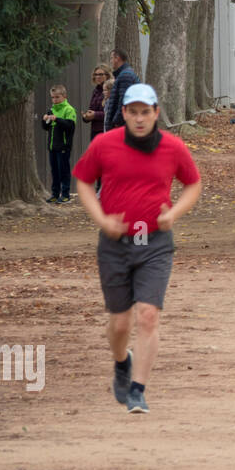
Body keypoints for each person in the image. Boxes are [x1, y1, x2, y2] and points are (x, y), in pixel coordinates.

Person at [72, 83, 202, 415]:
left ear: (156, 113)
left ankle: (138, 389)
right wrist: (101, 219)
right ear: (125, 114)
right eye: (133, 112)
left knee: (147, 316)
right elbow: (84, 181)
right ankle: (121, 362)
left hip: (153, 241)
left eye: (146, 112)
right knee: (120, 323)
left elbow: (193, 183)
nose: (140, 119)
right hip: (116, 242)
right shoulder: (105, 144)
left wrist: (173, 213)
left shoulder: (173, 148)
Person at [41, 85, 77, 204]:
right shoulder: (51, 109)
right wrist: (44, 119)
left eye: (57, 97)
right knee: (54, 171)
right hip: (52, 146)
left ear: (64, 96)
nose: (55, 100)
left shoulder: (69, 109)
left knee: (63, 171)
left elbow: (70, 126)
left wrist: (56, 119)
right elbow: (46, 127)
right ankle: (55, 194)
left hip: (63, 146)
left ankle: (65, 194)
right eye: (53, 97)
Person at [104, 49, 138, 131]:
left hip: (121, 126)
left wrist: (117, 122)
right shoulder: (123, 74)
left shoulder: (125, 75)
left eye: (111, 58)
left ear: (117, 58)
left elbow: (124, 100)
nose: (111, 61)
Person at [82, 64, 109, 141]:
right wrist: (86, 116)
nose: (98, 77)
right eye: (96, 74)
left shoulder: (111, 90)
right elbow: (91, 109)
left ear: (107, 75)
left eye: (101, 74)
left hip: (105, 130)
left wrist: (95, 115)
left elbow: (110, 113)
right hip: (94, 131)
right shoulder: (95, 91)